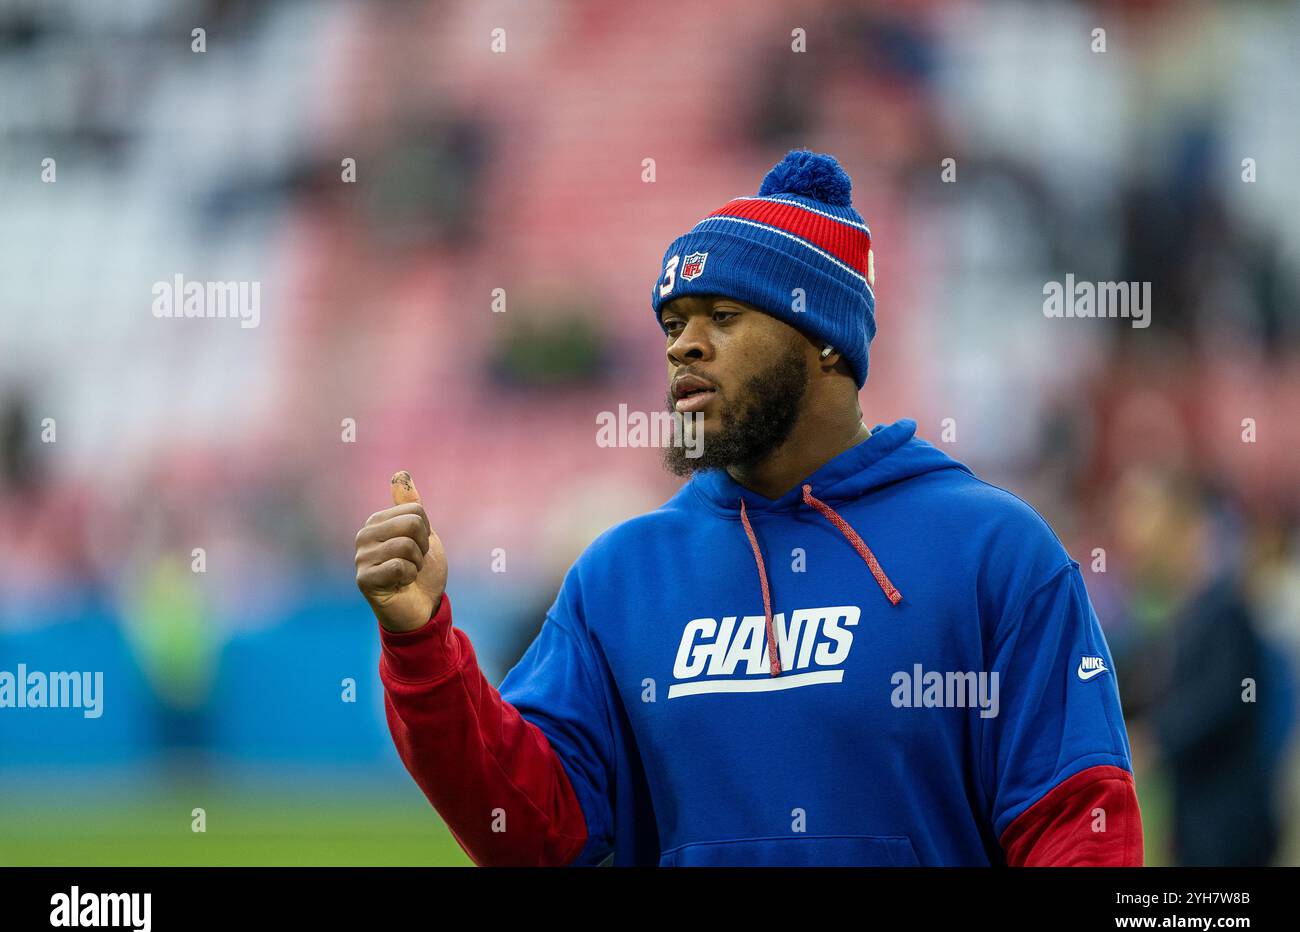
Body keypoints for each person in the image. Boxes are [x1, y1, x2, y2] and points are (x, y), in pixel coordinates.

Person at [354, 150, 1143, 866]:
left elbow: (1077, 824)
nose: (681, 347)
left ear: (825, 338)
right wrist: (421, 642)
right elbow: (529, 829)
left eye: (722, 319)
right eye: (672, 323)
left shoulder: (991, 550)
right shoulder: (621, 575)